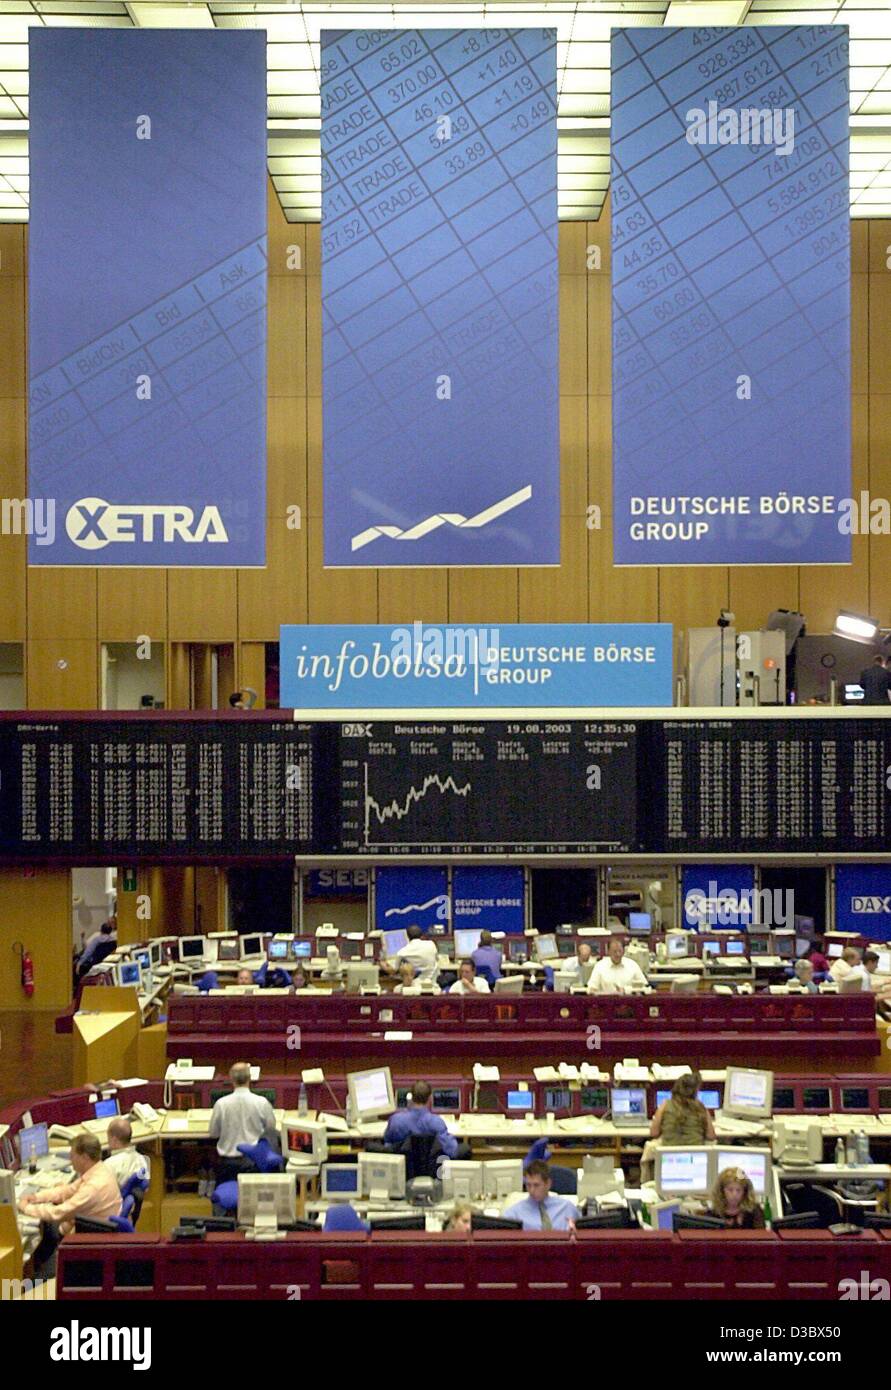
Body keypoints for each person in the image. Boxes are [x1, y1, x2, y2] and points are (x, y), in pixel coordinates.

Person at [18, 1134, 121, 1277]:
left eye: (73, 1156)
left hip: (87, 1244)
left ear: (84, 1157)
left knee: (38, 1271)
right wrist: (36, 1197)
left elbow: (58, 1213)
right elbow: (67, 1191)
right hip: (85, 1231)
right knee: (47, 1229)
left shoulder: (94, 1187)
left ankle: (40, 1279)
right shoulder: (98, 1170)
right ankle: (40, 1264)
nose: (70, 1160)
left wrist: (25, 1207)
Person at [209, 1062, 279, 1183]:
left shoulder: (221, 1104)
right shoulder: (262, 1102)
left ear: (231, 1079)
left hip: (228, 1164)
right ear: (250, 1078)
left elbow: (213, 1133)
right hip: (254, 1162)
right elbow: (271, 1129)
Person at [382, 1080, 466, 1159]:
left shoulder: (395, 1120)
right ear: (430, 1098)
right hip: (431, 1170)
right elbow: (452, 1151)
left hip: (403, 1169)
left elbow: (387, 1143)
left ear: (411, 1097)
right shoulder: (437, 1122)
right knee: (465, 1149)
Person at [502, 1160, 578, 1231]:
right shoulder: (514, 1214)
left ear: (548, 1184)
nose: (531, 1190)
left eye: (536, 1185)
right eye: (528, 1185)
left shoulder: (566, 1208)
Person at [649, 1071, 715, 1143]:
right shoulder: (701, 1107)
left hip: (670, 1153)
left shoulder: (665, 1105)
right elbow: (711, 1136)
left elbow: (654, 1133)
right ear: (695, 1091)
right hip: (695, 1153)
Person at [104, 1117, 151, 1189]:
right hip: (132, 1198)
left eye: (108, 1138)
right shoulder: (142, 1159)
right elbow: (145, 1189)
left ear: (114, 1140)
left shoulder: (109, 1164)